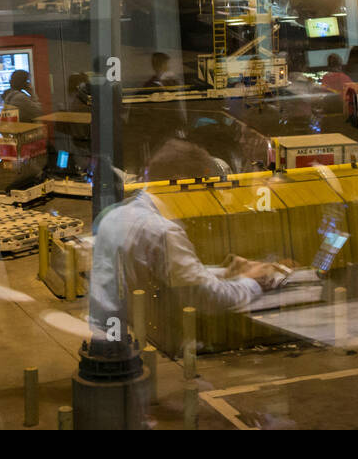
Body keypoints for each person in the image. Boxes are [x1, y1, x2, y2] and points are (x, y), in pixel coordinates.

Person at [88, 140, 282, 339]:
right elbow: (206, 298)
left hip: (110, 332)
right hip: (144, 343)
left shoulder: (118, 214)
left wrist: (223, 273)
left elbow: (165, 275)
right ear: (181, 182)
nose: (207, 199)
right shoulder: (162, 231)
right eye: (205, 189)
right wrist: (253, 281)